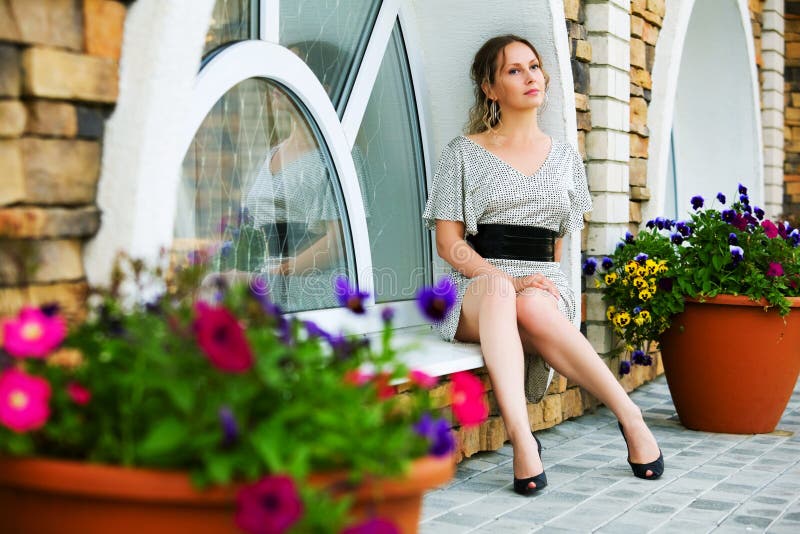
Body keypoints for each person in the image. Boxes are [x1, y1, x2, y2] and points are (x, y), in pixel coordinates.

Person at [422, 35, 664, 496]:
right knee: (500, 293)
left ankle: (629, 415)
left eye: (533, 66)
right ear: (490, 88)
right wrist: (508, 279)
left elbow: (557, 246)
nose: (530, 76)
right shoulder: (462, 153)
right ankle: (522, 440)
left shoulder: (565, 158)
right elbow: (449, 243)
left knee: (533, 307)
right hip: (478, 284)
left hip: (542, 283)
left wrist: (531, 286)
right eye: (513, 70)